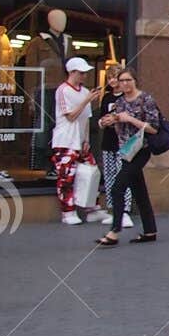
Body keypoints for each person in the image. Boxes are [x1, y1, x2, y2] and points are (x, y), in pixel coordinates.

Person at [95, 66, 163, 247]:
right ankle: (150, 230)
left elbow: (153, 127)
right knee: (139, 191)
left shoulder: (145, 99)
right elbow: (118, 125)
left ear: (135, 81)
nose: (124, 83)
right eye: (121, 80)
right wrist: (110, 121)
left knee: (118, 187)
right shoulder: (120, 102)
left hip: (141, 149)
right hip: (125, 150)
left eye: (128, 80)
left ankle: (114, 232)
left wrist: (130, 119)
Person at [50, 57, 105, 226]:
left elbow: (86, 119)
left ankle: (91, 209)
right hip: (65, 139)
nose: (84, 76)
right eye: (81, 73)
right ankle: (68, 212)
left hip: (80, 141)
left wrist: (86, 139)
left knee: (91, 173)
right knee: (66, 177)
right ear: (72, 72)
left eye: (85, 73)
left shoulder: (84, 91)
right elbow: (71, 116)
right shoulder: (63, 90)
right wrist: (87, 100)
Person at [95, 62, 132, 225]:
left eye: (115, 77)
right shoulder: (107, 97)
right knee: (109, 176)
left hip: (123, 143)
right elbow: (102, 116)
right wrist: (102, 122)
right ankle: (112, 209)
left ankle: (124, 210)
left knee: (122, 176)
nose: (111, 81)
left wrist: (116, 119)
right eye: (109, 78)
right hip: (108, 141)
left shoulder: (127, 98)